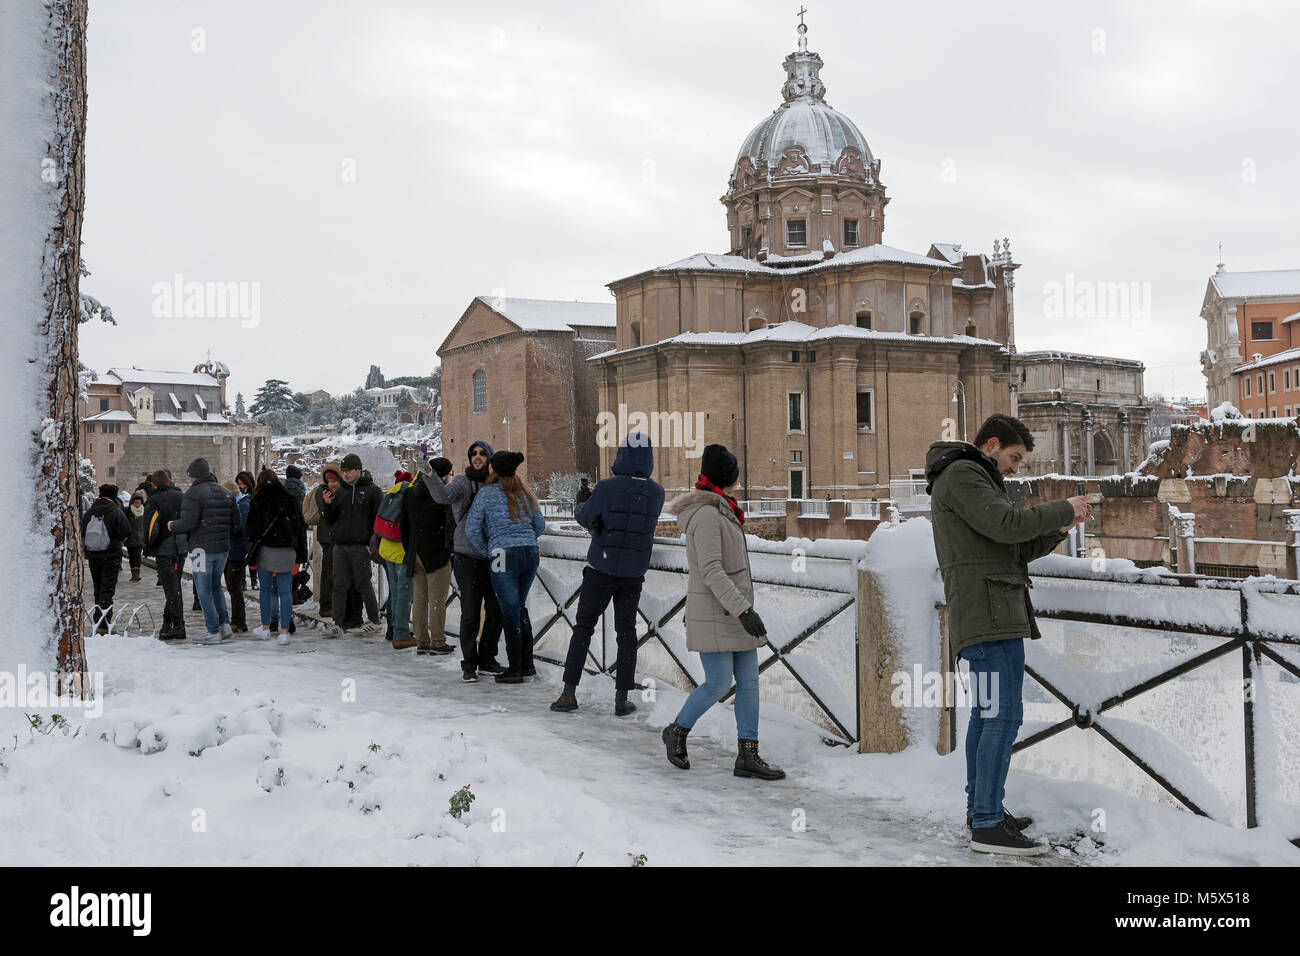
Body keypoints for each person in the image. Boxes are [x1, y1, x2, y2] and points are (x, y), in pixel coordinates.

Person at [926, 414, 1087, 856]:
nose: (1016, 467)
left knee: (986, 714)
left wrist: (1060, 528)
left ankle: (983, 809)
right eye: (1014, 457)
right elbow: (1007, 527)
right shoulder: (962, 474)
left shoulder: (971, 477)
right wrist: (1063, 508)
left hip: (992, 608)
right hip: (988, 612)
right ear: (992, 444)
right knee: (1001, 716)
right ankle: (987, 824)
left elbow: (1012, 546)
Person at [661, 444, 784, 781]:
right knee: (717, 683)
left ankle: (748, 755)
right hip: (718, 612)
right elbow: (712, 570)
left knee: (748, 683)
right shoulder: (706, 514)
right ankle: (677, 730)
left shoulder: (722, 509)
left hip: (734, 611)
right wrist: (745, 610)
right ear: (730, 477)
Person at [550, 433, 664, 716]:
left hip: (601, 568)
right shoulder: (657, 492)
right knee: (626, 633)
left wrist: (583, 502)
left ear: (622, 454)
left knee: (583, 629)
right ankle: (622, 698)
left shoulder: (606, 487)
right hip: (633, 574)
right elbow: (635, 520)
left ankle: (568, 693)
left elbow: (586, 517)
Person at [415, 439, 504, 682]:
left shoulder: (498, 483)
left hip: (496, 556)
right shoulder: (463, 483)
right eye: (473, 453)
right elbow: (442, 496)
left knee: (496, 612)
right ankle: (469, 663)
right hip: (467, 557)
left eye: (482, 453)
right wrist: (427, 472)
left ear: (489, 457)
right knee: (471, 613)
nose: (477, 456)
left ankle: (488, 658)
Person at [463, 450, 546, 684]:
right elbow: (540, 525)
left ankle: (516, 667)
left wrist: (489, 547)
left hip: (501, 554)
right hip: (529, 552)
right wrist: (524, 537)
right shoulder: (525, 493)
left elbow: (472, 529)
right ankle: (528, 664)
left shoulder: (486, 494)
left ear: (494, 469)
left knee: (509, 610)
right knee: (519, 606)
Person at [168, 457, 242, 644]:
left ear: (193, 476)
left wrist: (172, 525)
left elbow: (188, 523)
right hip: (223, 548)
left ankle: (213, 630)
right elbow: (236, 522)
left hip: (201, 549)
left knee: (203, 591)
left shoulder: (193, 494)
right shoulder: (226, 493)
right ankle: (224, 625)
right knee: (216, 587)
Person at [244, 467, 309, 646]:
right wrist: (301, 553)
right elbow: (300, 529)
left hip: (267, 550)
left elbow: (250, 530)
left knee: (265, 590)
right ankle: (284, 632)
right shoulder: (290, 499)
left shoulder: (258, 499)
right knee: (285, 591)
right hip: (287, 550)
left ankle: (265, 628)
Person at [322, 453, 383, 635]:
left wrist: (371, 544)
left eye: (349, 471)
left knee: (363, 584)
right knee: (339, 585)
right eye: (344, 471)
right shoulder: (341, 490)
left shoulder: (373, 491)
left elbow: (378, 521)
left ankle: (375, 620)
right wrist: (327, 504)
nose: (346, 474)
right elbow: (331, 520)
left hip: (360, 546)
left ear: (359, 470)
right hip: (340, 545)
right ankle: (337, 624)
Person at [404, 457, 457, 655]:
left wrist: (410, 549)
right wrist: (447, 551)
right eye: (450, 474)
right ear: (442, 476)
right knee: (437, 601)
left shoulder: (410, 492)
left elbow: (404, 526)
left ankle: (421, 641)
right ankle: (437, 642)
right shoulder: (441, 495)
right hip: (437, 555)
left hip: (415, 553)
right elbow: (450, 527)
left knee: (419, 600)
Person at [81, 483, 131, 634]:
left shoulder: (90, 511)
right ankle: (103, 622)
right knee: (107, 588)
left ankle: (98, 618)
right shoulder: (115, 511)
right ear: (114, 496)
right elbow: (125, 531)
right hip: (111, 555)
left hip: (93, 555)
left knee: (98, 587)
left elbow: (83, 530)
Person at [143, 470, 186, 640]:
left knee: (171, 589)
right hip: (180, 546)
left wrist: (148, 546)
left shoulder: (154, 500)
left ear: (153, 484)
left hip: (165, 548)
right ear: (169, 481)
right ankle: (168, 623)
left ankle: (178, 625)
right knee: (175, 586)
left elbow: (150, 527)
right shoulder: (181, 497)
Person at [376, 470, 417, 649]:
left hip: (387, 549)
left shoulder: (394, 492)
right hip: (401, 552)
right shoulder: (412, 494)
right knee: (404, 596)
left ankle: (392, 629)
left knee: (394, 593)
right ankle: (401, 634)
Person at [303, 460, 343, 620]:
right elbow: (327, 513)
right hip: (328, 537)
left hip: (333, 537)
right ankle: (326, 607)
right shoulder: (323, 492)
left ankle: (331, 605)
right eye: (330, 481)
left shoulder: (337, 491)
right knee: (329, 573)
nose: (332, 484)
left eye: (335, 480)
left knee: (333, 572)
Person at [223, 470, 255, 633]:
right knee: (231, 586)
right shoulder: (237, 505)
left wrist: (225, 526)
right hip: (230, 551)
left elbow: (241, 528)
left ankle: (239, 621)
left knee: (234, 587)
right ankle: (235, 619)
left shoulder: (243, 505)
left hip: (237, 551)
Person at [126, 492, 147, 582]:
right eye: (135, 502)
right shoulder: (127, 510)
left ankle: (137, 575)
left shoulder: (145, 511)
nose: (137, 504)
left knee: (137, 556)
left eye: (139, 502)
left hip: (140, 538)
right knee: (132, 556)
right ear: (132, 502)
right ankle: (133, 574)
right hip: (130, 537)